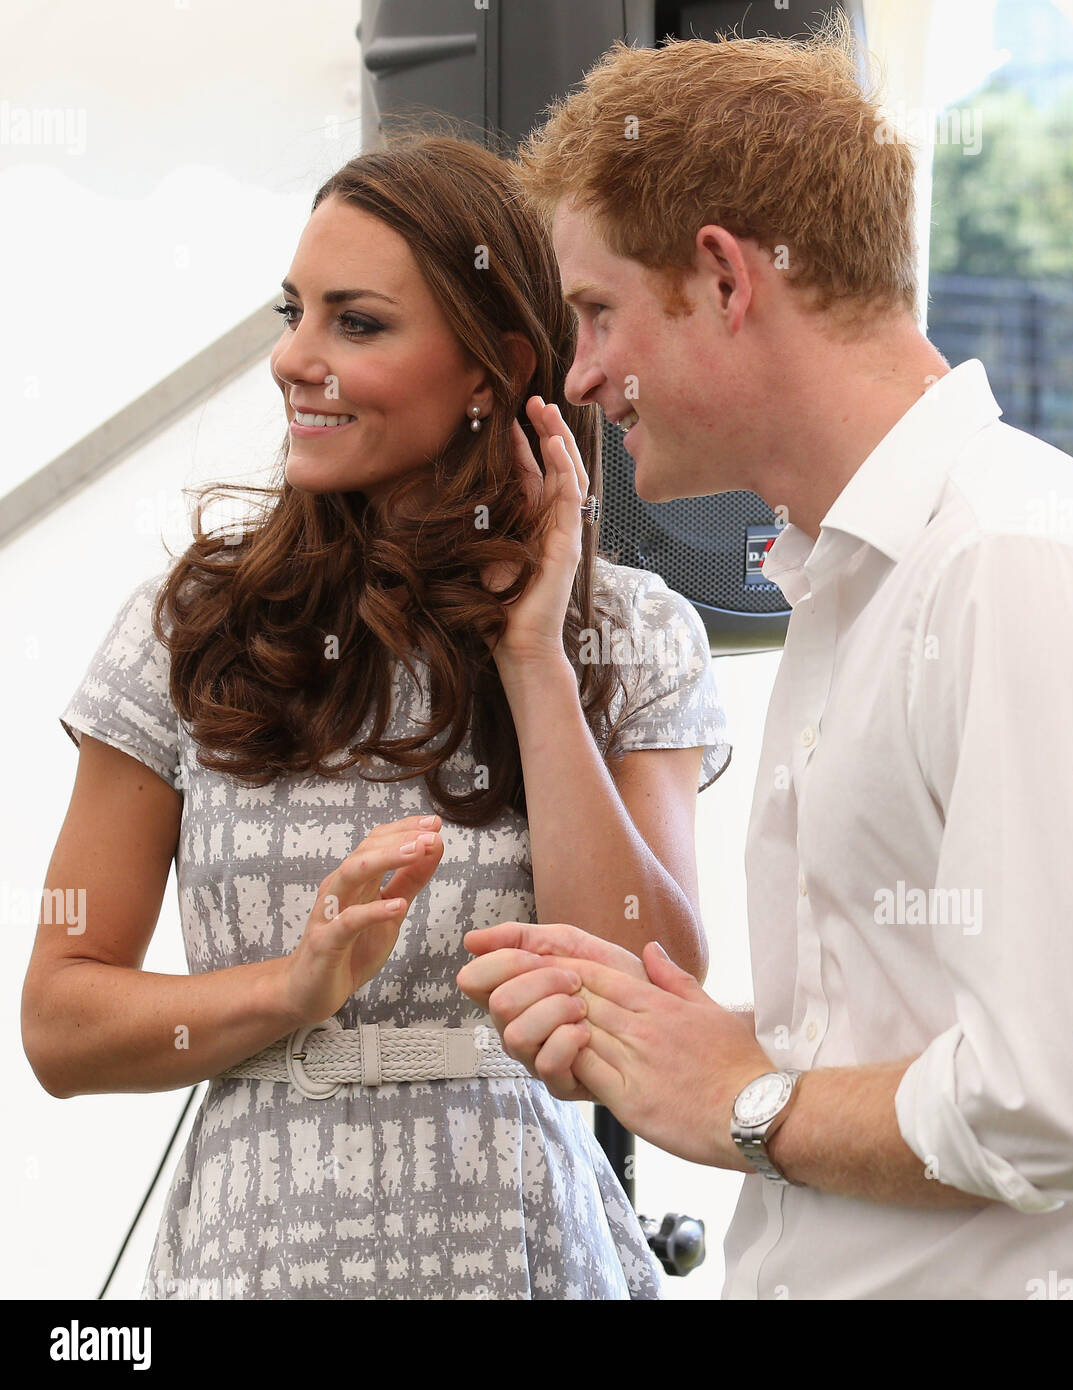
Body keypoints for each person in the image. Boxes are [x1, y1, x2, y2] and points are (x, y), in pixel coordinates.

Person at [457, 14, 1073, 1300]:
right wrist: (688, 1040)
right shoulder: (857, 575)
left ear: (723, 278)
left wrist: (741, 1098)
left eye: (596, 313)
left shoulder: (1013, 562)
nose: (583, 375)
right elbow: (914, 1035)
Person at [21, 130, 732, 1300]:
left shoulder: (630, 633)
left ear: (491, 369)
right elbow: (60, 1020)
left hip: (525, 1249)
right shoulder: (189, 624)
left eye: (355, 322)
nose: (294, 358)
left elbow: (647, 999)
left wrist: (534, 662)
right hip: (256, 1254)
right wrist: (289, 991)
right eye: (292, 311)